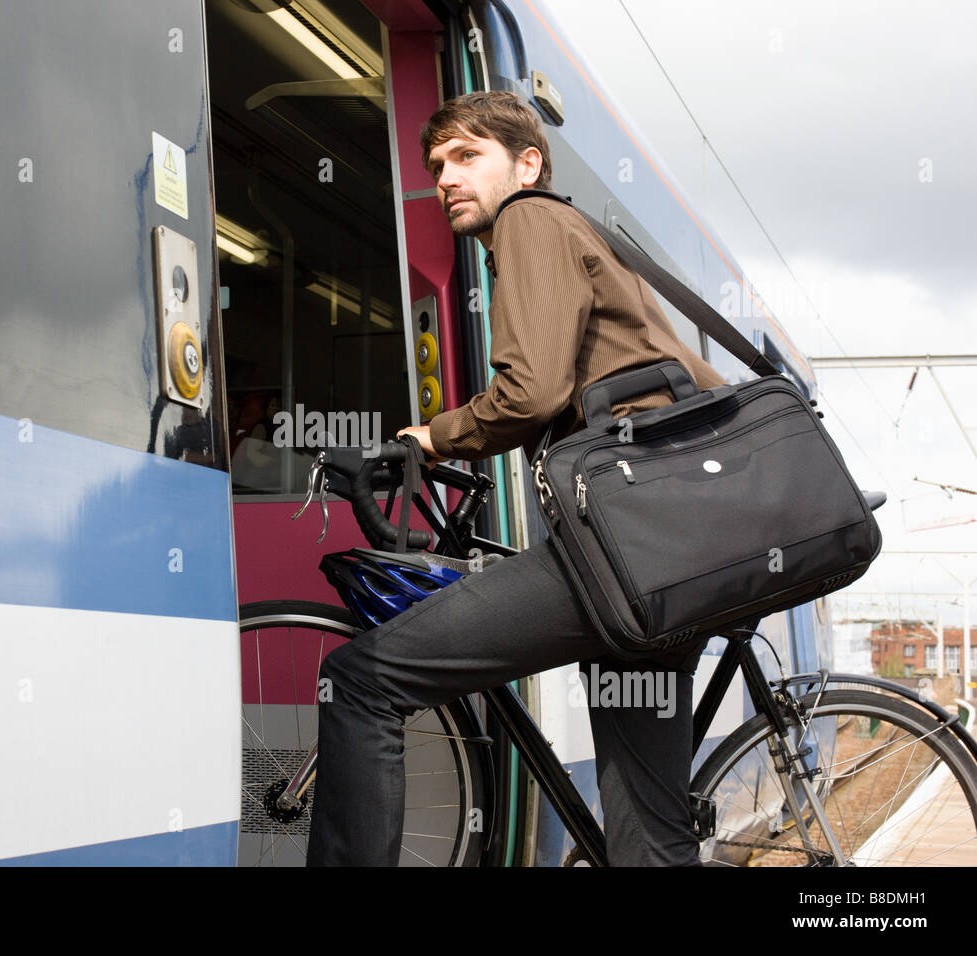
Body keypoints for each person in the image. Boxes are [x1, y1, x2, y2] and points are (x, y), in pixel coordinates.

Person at [304, 90, 725, 867]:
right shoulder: (566, 234)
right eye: (436, 166)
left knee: (361, 678)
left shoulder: (529, 220)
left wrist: (432, 436)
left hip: (625, 548)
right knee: (649, 831)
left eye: (467, 157)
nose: (446, 178)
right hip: (672, 550)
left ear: (527, 164)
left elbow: (531, 394)